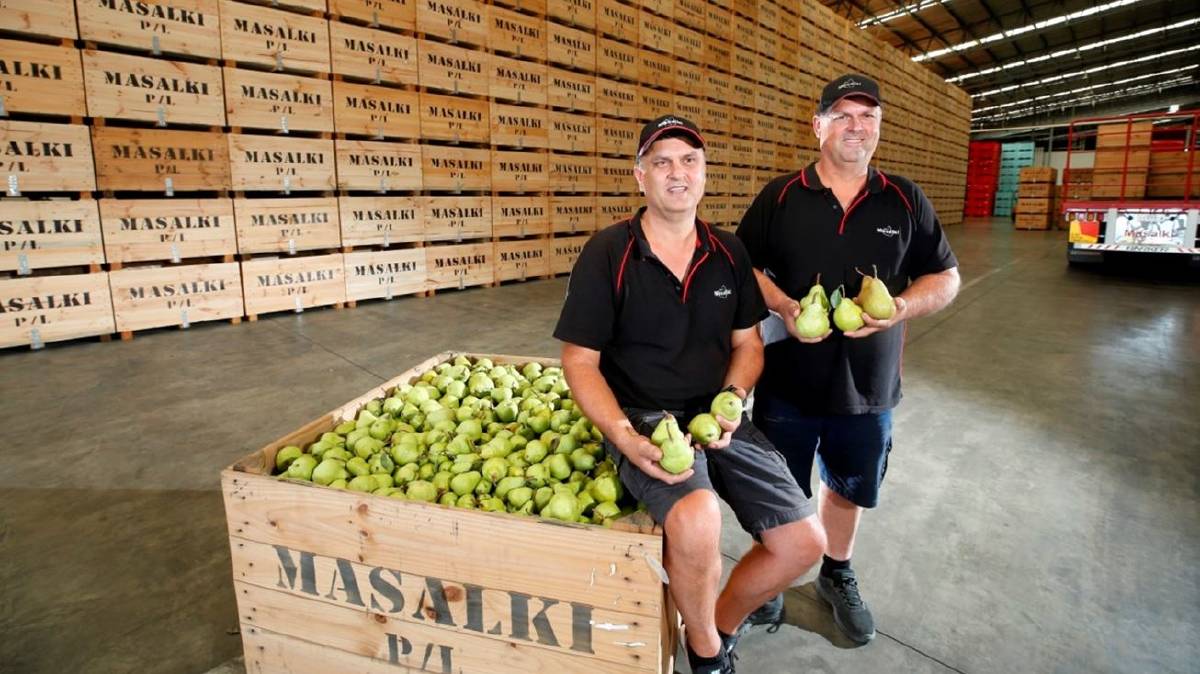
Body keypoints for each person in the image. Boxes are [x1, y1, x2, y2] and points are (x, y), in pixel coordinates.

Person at [555, 115, 826, 674]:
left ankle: (716, 625)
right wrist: (624, 436)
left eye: (689, 160)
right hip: (642, 416)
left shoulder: (729, 252)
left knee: (804, 542)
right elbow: (579, 361)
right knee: (699, 517)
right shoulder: (608, 252)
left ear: (704, 173)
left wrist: (733, 398)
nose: (677, 172)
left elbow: (748, 345)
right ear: (640, 176)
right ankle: (705, 656)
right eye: (661, 162)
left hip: (718, 411)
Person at [736, 74, 961, 645]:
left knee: (848, 487)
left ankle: (836, 573)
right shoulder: (781, 197)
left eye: (868, 117)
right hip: (787, 381)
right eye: (843, 115)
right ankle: (771, 576)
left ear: (879, 127)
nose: (856, 127)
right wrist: (784, 306)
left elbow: (946, 276)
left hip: (868, 387)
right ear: (818, 126)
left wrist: (902, 306)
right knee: (779, 488)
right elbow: (744, 267)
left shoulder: (903, 198)